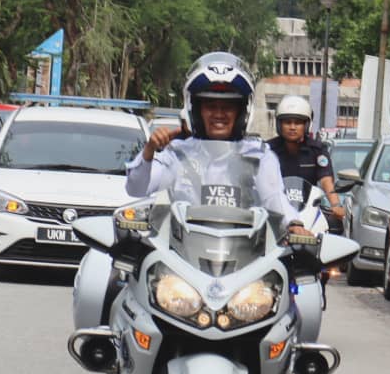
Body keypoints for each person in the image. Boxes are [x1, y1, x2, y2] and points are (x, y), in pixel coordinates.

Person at [126, 52, 311, 237]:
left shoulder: (259, 156)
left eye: (228, 107)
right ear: (197, 111)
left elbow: (275, 199)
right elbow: (136, 189)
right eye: (210, 106)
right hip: (180, 254)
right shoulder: (177, 153)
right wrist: (149, 150)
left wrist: (294, 224)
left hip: (247, 254)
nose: (219, 114)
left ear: (241, 112)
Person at [267, 95, 345, 222]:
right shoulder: (267, 150)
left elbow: (326, 180)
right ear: (279, 124)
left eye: (297, 123)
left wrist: (335, 205)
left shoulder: (317, 150)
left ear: (307, 125)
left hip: (307, 212)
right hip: (275, 211)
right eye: (287, 122)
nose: (292, 127)